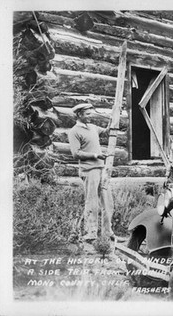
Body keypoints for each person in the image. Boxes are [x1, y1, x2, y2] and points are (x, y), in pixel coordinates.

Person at [68, 103, 117, 243]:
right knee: (92, 202)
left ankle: (108, 231)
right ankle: (91, 232)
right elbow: (76, 154)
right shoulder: (74, 131)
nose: (91, 116)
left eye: (91, 113)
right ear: (79, 115)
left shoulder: (93, 127)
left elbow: (107, 131)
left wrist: (112, 118)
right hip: (89, 170)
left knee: (108, 201)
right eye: (88, 114)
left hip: (102, 169)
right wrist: (96, 155)